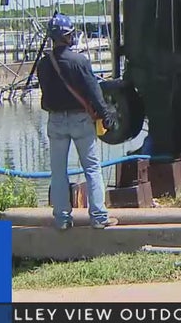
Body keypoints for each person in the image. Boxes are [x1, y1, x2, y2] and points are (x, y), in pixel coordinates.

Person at [37, 14, 120, 230]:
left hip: (55, 121)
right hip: (80, 120)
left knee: (58, 171)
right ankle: (99, 218)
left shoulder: (44, 64)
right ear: (66, 36)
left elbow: (46, 93)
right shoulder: (80, 62)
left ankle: (62, 219)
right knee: (92, 168)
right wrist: (106, 116)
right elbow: (95, 92)